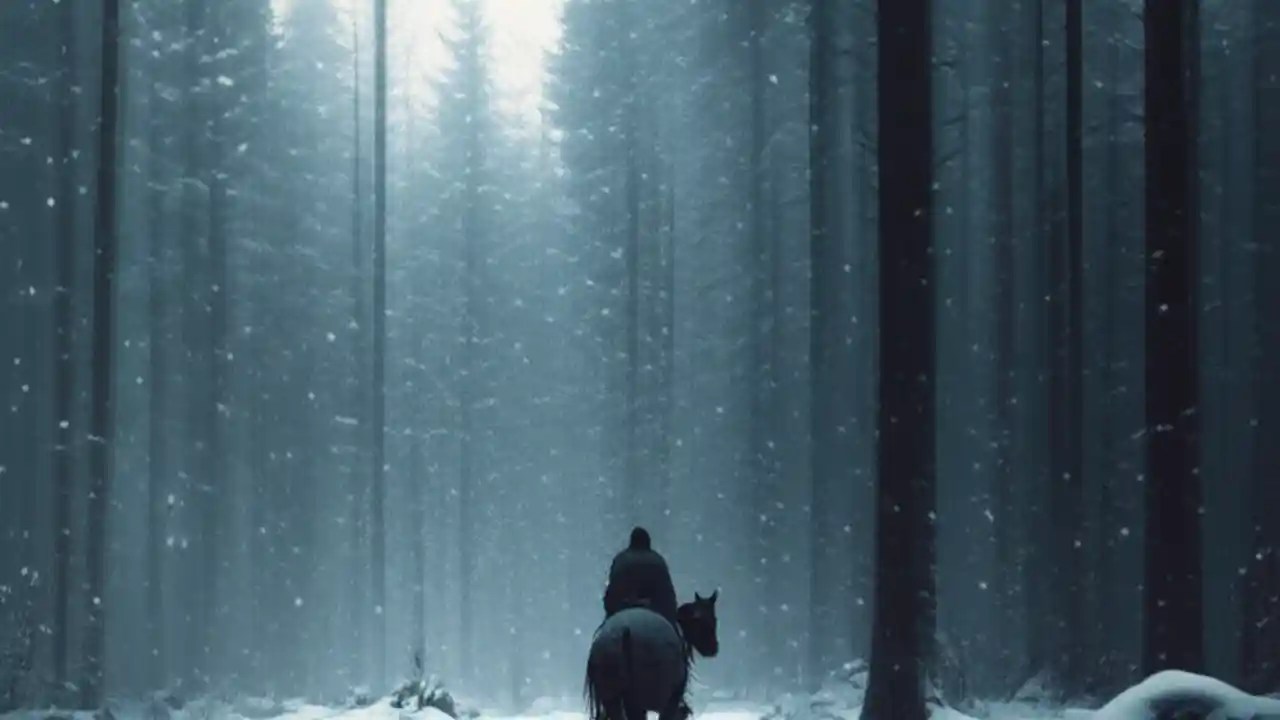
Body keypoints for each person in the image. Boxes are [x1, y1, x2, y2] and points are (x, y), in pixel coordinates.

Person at [602, 526, 679, 628]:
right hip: (657, 615)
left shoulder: (620, 559)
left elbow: (610, 598)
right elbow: (669, 598)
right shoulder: (658, 561)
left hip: (622, 614)